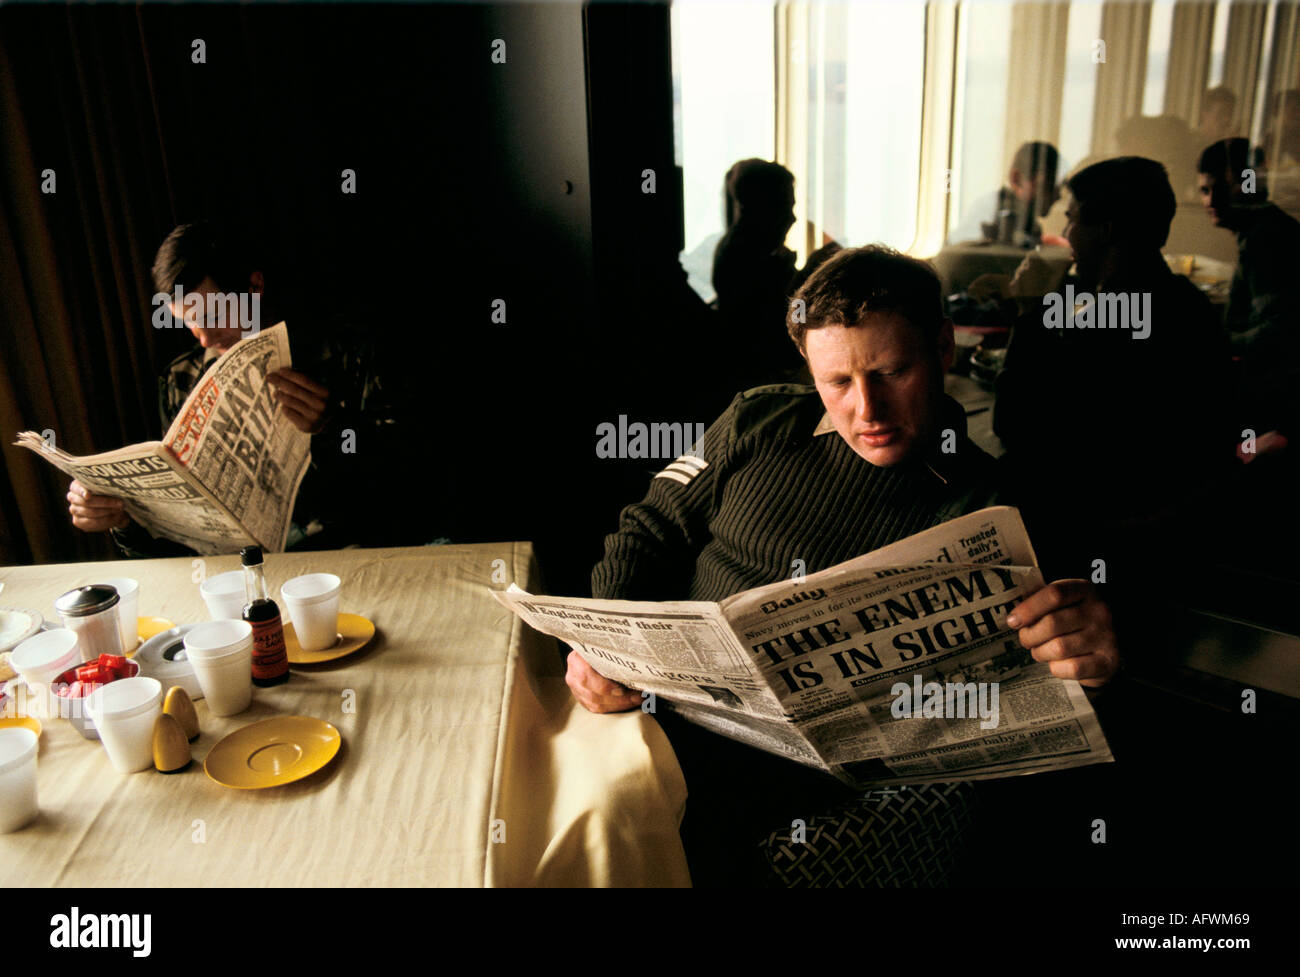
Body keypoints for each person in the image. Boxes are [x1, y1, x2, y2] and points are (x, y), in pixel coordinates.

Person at [567, 245, 1121, 884]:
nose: (867, 410)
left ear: (942, 346)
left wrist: (1092, 667)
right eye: (837, 382)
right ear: (808, 366)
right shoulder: (757, 419)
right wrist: (596, 644)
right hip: (654, 718)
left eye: (891, 372)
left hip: (802, 785)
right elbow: (650, 527)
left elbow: (1045, 686)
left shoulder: (997, 507)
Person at [67, 221, 375, 554]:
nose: (206, 339)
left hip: (343, 561)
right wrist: (121, 521)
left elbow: (405, 491)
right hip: (233, 576)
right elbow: (181, 546)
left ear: (255, 286)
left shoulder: (348, 352)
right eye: (189, 324)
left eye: (214, 316)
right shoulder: (181, 379)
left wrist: (334, 428)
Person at [995, 157, 1235, 575]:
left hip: (1101, 532)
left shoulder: (1105, 325)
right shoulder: (1185, 305)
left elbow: (1014, 424)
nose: (1067, 234)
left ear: (1105, 229)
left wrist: (1029, 312)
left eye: (1072, 221)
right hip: (1174, 519)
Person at [1197, 138, 1300, 446]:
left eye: (1222, 188)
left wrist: (1216, 341)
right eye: (1204, 190)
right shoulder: (1267, 229)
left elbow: (1281, 328)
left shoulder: (1263, 239)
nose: (1212, 201)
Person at [710, 159, 804, 389]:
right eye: (784, 207)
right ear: (757, 208)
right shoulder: (743, 262)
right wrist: (807, 275)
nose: (793, 218)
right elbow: (780, 343)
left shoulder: (755, 252)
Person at [950, 141, 1060, 246]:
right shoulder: (991, 212)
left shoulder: (1030, 225)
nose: (1058, 196)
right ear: (1017, 179)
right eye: (1048, 185)